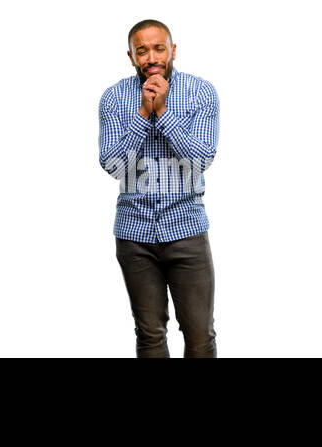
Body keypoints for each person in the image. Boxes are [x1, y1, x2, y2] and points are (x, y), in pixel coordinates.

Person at [98, 19, 219, 358]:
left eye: (158, 48)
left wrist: (163, 111)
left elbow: (201, 158)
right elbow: (113, 165)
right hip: (134, 236)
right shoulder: (113, 98)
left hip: (187, 232)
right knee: (149, 335)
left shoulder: (200, 92)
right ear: (131, 56)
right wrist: (142, 113)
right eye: (142, 50)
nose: (151, 56)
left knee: (199, 335)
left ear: (172, 50)